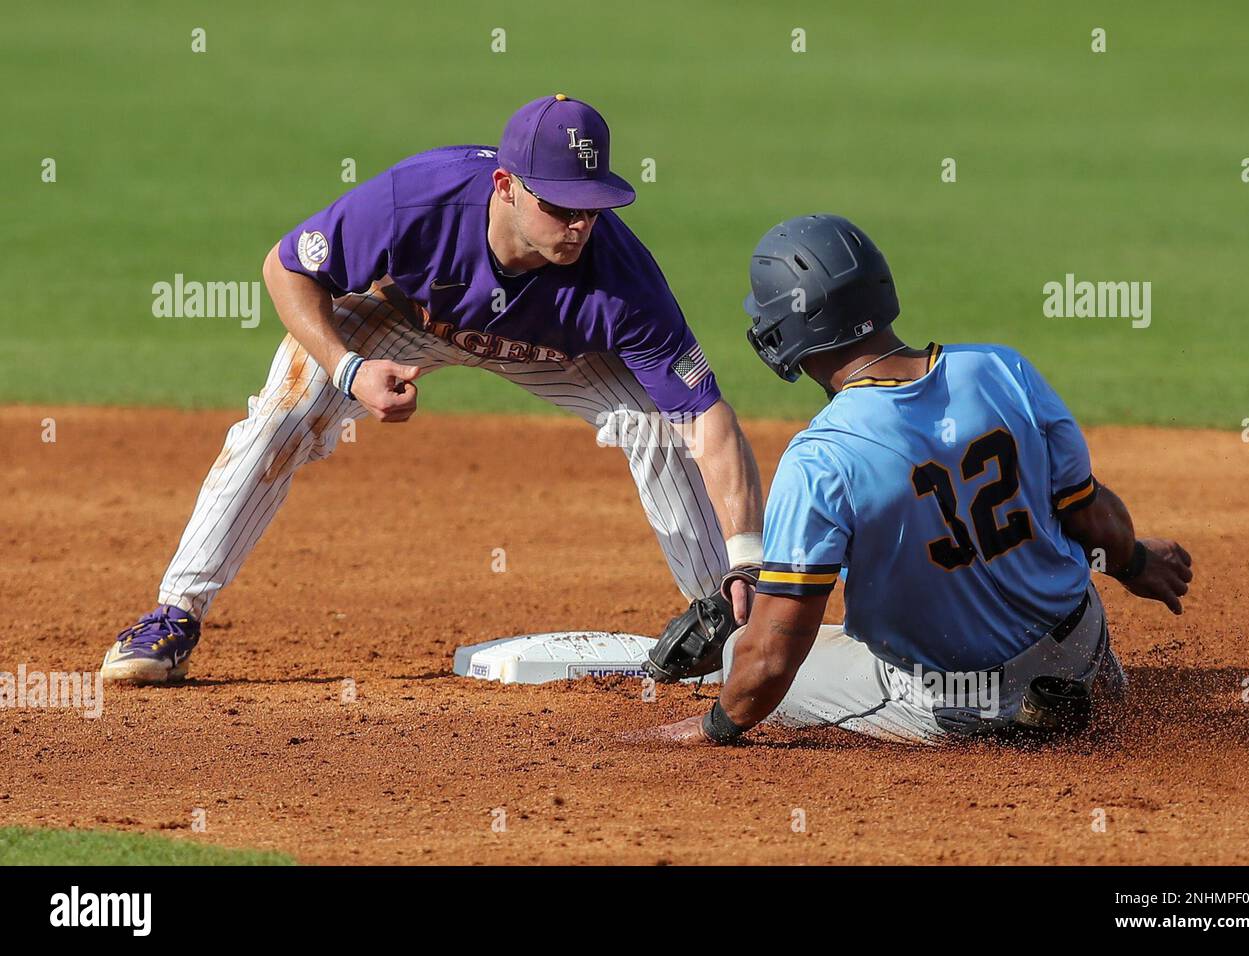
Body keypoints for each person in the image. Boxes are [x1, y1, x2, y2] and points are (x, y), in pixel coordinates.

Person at [103, 94, 763, 684]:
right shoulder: (416, 201)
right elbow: (285, 269)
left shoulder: (624, 281)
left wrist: (745, 556)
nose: (579, 225)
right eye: (559, 205)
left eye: (592, 207)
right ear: (505, 185)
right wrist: (349, 368)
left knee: (653, 422)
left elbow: (707, 421)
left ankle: (728, 625)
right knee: (285, 412)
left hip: (553, 350)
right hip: (409, 317)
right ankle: (175, 615)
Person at [638, 214, 1193, 746]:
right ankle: (1076, 687)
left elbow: (773, 656)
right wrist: (1137, 563)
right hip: (1079, 648)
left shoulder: (821, 458)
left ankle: (999, 719)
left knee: (740, 654)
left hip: (954, 696)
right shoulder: (1002, 369)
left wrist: (714, 725)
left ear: (787, 329)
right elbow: (1092, 517)